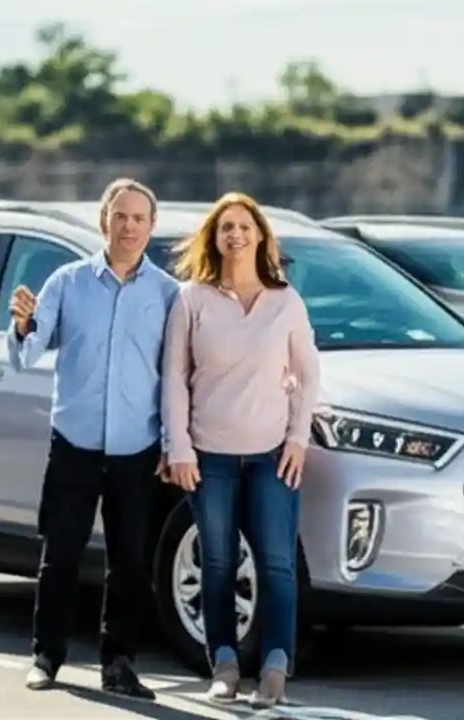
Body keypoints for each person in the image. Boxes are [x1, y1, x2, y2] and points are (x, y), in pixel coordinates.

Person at [6, 178, 179, 700]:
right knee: (60, 553)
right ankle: (46, 655)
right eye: (119, 216)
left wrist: (173, 444)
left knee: (129, 562)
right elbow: (27, 353)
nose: (128, 226)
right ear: (104, 220)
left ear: (152, 227)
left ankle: (119, 664)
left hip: (137, 448)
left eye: (139, 219)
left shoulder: (169, 294)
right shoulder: (68, 282)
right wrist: (19, 327)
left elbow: (175, 375)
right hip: (75, 443)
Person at [160, 192, 320, 708]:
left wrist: (298, 438)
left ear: (259, 236)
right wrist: (178, 446)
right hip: (210, 457)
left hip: (273, 455)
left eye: (244, 226)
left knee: (276, 565)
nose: (235, 235)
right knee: (219, 565)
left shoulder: (286, 301)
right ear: (214, 237)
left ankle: (275, 667)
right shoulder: (191, 299)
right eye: (226, 227)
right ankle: (224, 665)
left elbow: (308, 372)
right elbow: (173, 378)